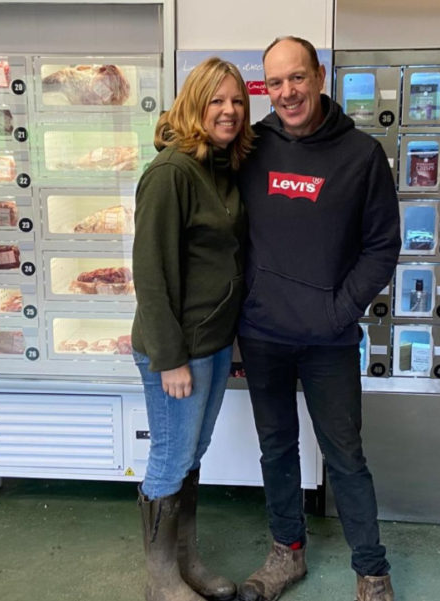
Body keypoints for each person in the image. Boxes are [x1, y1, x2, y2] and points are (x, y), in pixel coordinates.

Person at [236, 36, 401, 601]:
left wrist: (340, 308)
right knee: (276, 448)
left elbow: (383, 246)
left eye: (297, 78)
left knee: (345, 454)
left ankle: (371, 571)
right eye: (275, 83)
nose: (287, 93)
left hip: (328, 340)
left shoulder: (361, 156)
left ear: (320, 76)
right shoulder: (251, 147)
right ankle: (287, 554)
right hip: (261, 334)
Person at [130, 57, 254, 601]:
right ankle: (162, 581)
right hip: (178, 348)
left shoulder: (220, 166)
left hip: (213, 342)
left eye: (238, 101)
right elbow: (151, 274)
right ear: (195, 104)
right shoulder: (171, 173)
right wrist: (170, 358)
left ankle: (187, 562)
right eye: (217, 100)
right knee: (170, 455)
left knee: (191, 454)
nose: (229, 111)